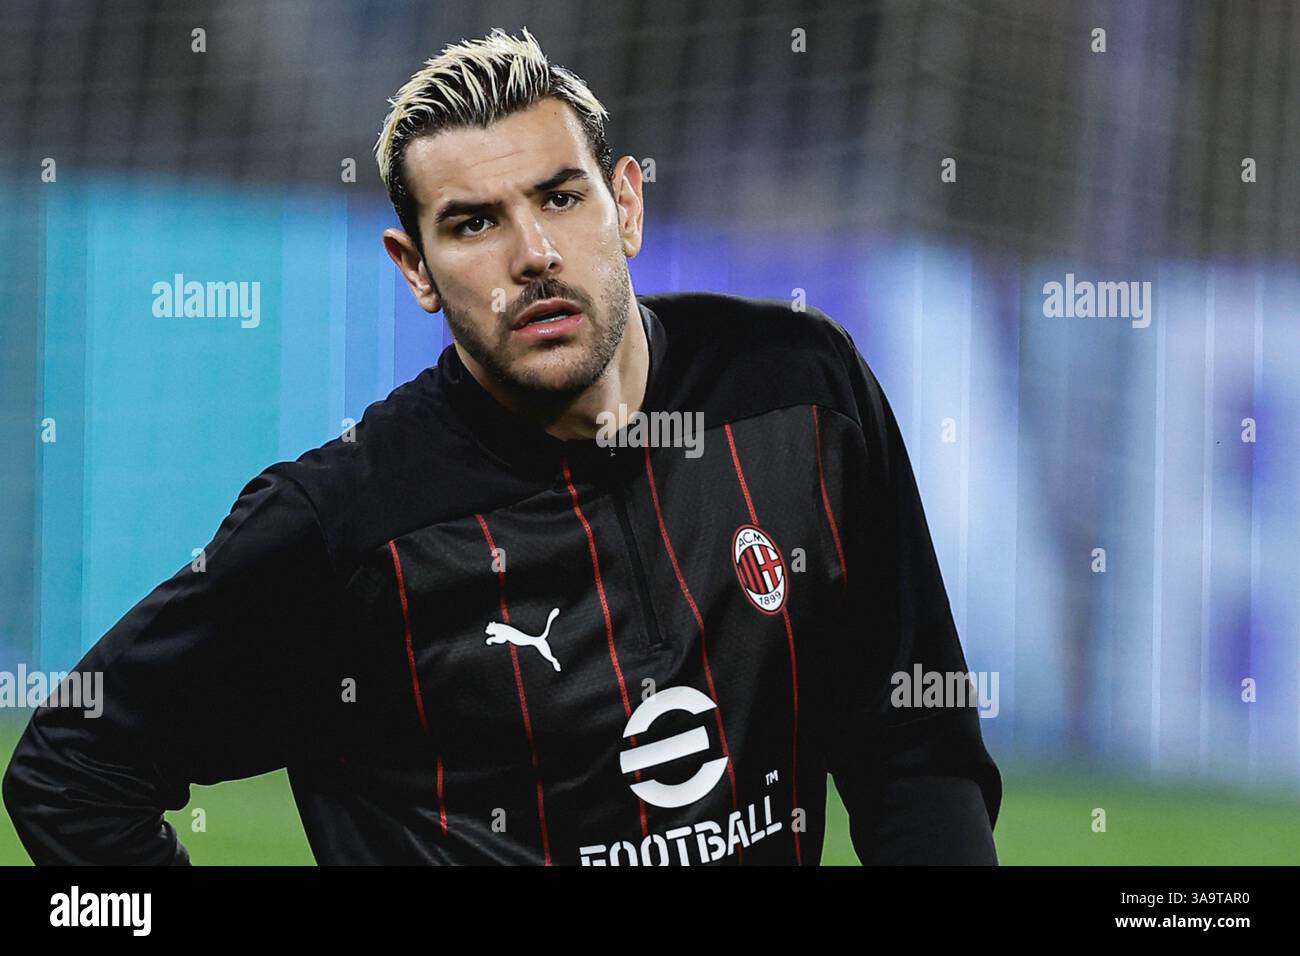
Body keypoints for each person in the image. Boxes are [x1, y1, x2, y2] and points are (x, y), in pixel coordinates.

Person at [3, 27, 1000, 865]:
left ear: (627, 203)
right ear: (416, 268)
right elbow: (70, 771)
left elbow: (911, 748)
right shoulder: (350, 524)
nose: (532, 253)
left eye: (560, 197)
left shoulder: (799, 395)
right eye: (474, 222)